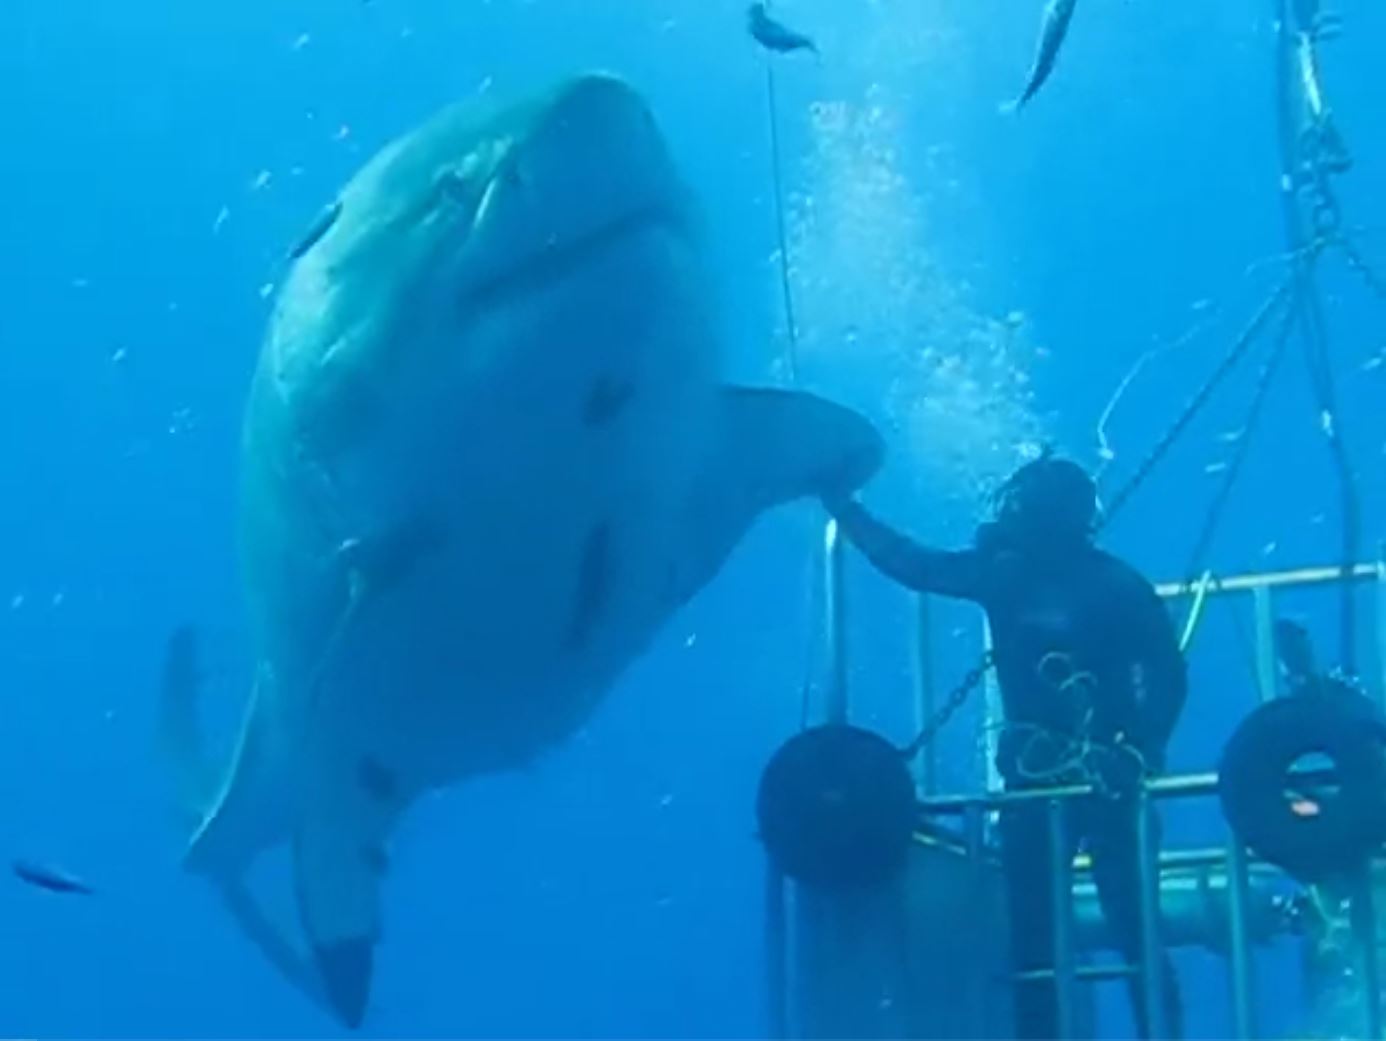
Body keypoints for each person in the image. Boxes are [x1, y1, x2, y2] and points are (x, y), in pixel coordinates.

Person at [824, 452, 1186, 1040]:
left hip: (1040, 784)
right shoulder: (1117, 582)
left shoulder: (1005, 576)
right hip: (1105, 780)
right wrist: (1141, 748)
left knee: (1037, 944)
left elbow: (913, 563)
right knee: (1134, 928)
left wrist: (845, 509)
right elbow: (1169, 678)